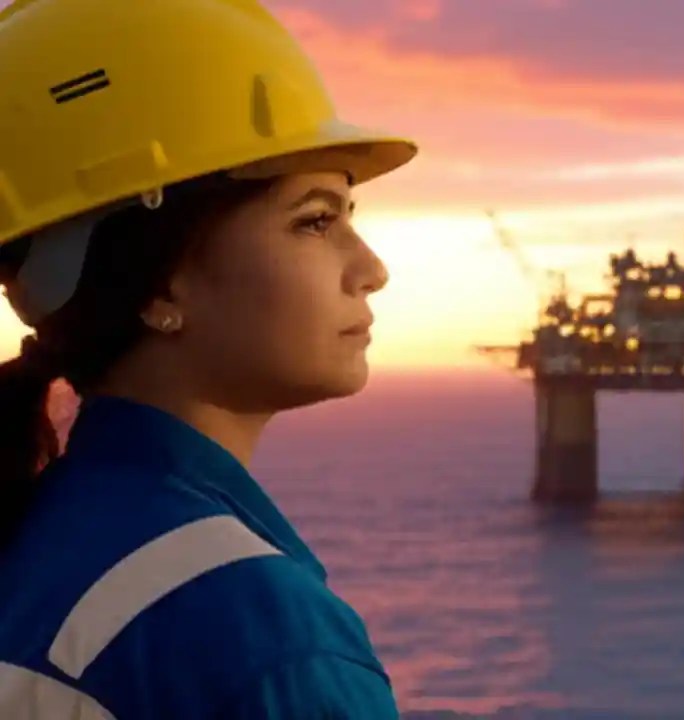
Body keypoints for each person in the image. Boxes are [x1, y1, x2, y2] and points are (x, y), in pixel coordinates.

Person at [0, 0, 418, 717]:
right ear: (161, 282)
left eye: (350, 219)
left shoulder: (43, 537)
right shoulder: (250, 631)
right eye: (315, 221)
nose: (372, 269)